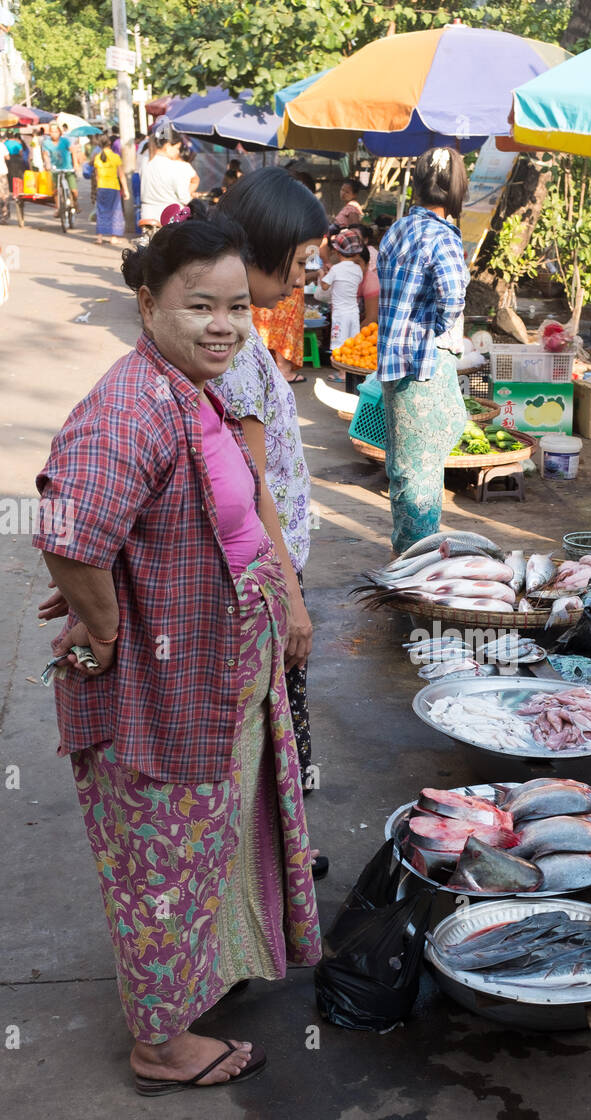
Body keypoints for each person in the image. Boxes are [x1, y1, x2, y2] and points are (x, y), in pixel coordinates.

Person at [32, 209, 320, 1093]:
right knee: (162, 858)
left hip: (213, 667)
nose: (224, 324)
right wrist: (107, 622)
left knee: (200, 847)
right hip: (163, 686)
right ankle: (160, 1047)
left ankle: (200, 978)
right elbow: (72, 532)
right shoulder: (134, 405)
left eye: (237, 306)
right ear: (150, 302)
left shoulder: (184, 387)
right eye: (201, 306)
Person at [211, 168, 329, 806]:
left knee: (276, 719)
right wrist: (293, 602)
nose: (303, 277)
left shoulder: (246, 336)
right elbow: (253, 489)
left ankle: (280, 861)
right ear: (263, 244)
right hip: (264, 570)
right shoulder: (237, 355)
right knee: (274, 722)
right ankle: (280, 866)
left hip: (267, 564)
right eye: (301, 261)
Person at [377, 147, 469, 554]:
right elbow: (453, 297)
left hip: (394, 361)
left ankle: (405, 547)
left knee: (405, 460)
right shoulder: (442, 237)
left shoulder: (397, 229)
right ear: (456, 191)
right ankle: (420, 557)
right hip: (423, 362)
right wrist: (432, 328)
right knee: (423, 463)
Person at [138, 121, 198, 231]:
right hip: (170, 216)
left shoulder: (145, 159)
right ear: (167, 145)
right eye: (176, 148)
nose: (177, 152)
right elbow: (184, 197)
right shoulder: (176, 166)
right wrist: (192, 196)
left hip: (147, 213)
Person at [317, 226, 363, 355]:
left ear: (337, 252)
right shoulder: (358, 270)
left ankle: (341, 372)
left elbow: (325, 286)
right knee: (353, 343)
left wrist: (322, 274)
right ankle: (349, 372)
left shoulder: (336, 269)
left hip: (339, 314)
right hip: (354, 313)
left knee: (338, 345)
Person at [92, 135, 129, 245]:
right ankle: (113, 237)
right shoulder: (115, 157)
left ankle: (99, 237)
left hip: (101, 187)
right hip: (113, 187)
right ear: (110, 144)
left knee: (101, 211)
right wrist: (126, 190)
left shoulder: (97, 157)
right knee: (115, 211)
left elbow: (96, 176)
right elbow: (121, 175)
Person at [43, 122, 79, 215]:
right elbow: (46, 155)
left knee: (73, 191)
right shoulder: (46, 143)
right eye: (52, 131)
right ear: (49, 133)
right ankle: (58, 208)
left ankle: (75, 203)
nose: (54, 133)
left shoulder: (65, 141)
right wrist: (47, 165)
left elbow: (73, 152)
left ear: (60, 132)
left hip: (68, 168)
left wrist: (75, 164)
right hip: (55, 169)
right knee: (55, 190)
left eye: (56, 131)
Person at [359, 223, 380, 328]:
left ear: (367, 265)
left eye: (357, 264)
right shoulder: (342, 274)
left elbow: (371, 318)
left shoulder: (371, 281)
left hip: (362, 335)